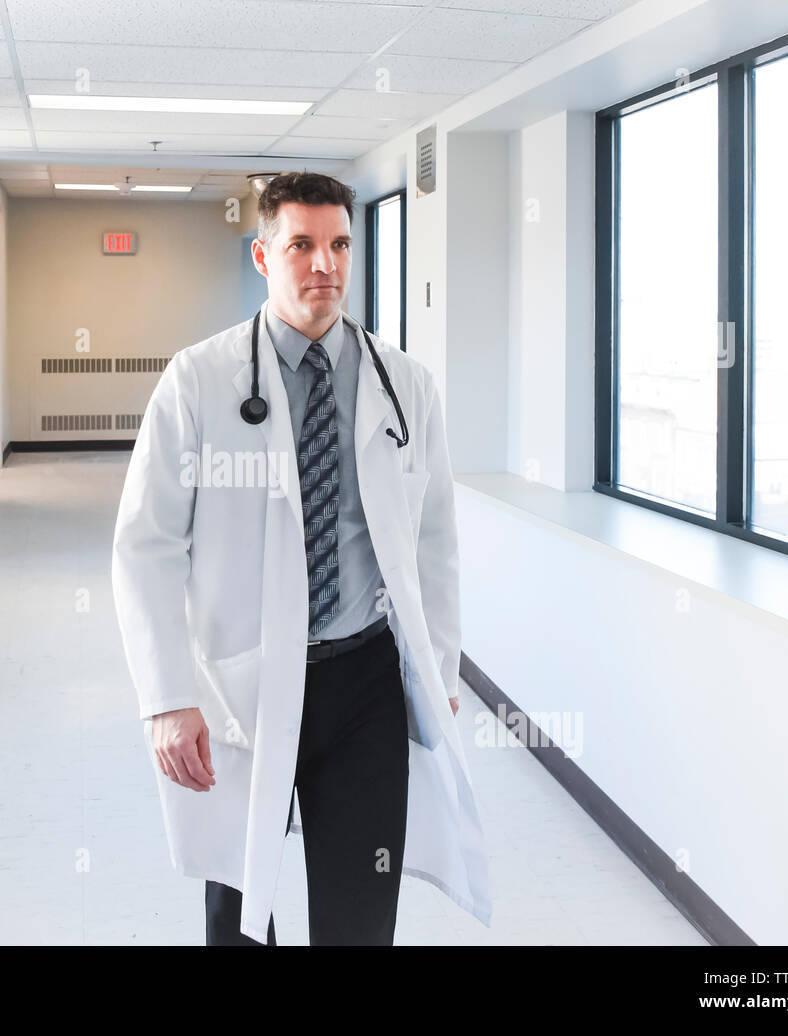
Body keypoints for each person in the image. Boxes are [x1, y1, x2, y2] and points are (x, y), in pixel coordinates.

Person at [111, 171, 492, 945]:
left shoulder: (404, 385)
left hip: (364, 681)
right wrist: (165, 695)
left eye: (340, 244)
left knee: (360, 909)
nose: (325, 264)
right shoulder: (199, 380)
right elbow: (145, 544)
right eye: (302, 245)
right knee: (239, 909)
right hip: (240, 679)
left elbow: (435, 542)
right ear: (263, 256)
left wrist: (438, 669)